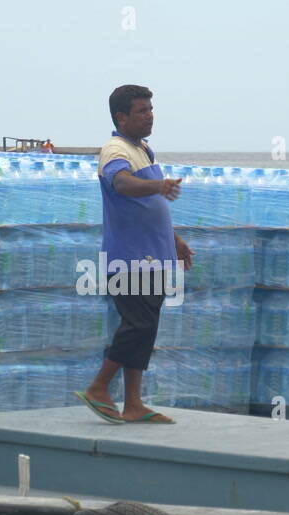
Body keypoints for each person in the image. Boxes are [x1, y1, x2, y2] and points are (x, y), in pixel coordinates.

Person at [74, 84, 194, 424]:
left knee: (146, 328)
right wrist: (159, 185)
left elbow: (150, 208)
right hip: (129, 258)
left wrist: (175, 242)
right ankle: (98, 387)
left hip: (154, 255)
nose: (149, 116)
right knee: (137, 325)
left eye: (150, 109)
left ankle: (133, 404)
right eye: (141, 111)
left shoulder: (144, 150)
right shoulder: (114, 151)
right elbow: (122, 184)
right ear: (121, 116)